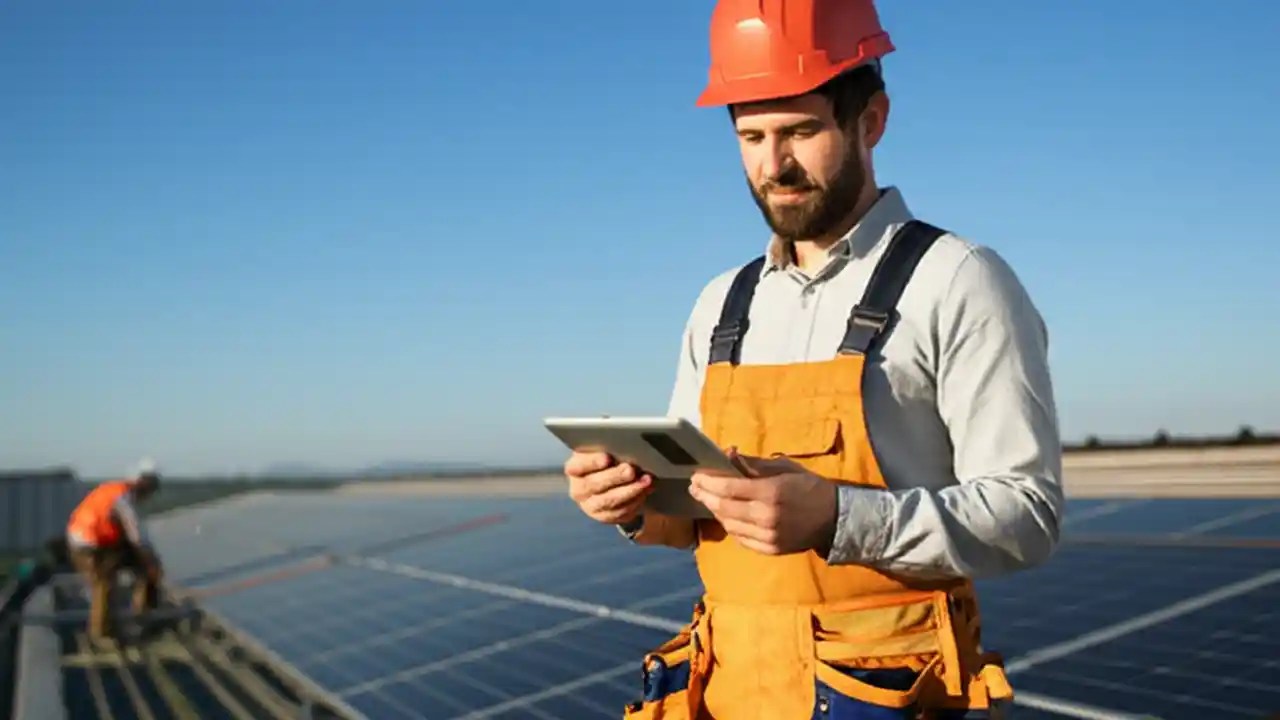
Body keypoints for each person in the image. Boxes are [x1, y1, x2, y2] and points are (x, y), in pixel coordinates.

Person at [563, 1, 1064, 717]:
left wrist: (838, 517)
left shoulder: (959, 279)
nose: (775, 165)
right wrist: (634, 505)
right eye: (752, 137)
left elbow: (1026, 517)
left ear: (872, 120)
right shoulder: (720, 304)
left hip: (884, 696)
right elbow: (695, 513)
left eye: (800, 131)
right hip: (731, 692)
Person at [65, 459, 165, 644]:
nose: (150, 495)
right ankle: (102, 635)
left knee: (140, 570)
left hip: (95, 540)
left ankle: (141, 616)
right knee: (103, 583)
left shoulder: (115, 490)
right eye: (151, 488)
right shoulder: (124, 499)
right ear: (143, 483)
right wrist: (152, 563)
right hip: (87, 544)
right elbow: (137, 537)